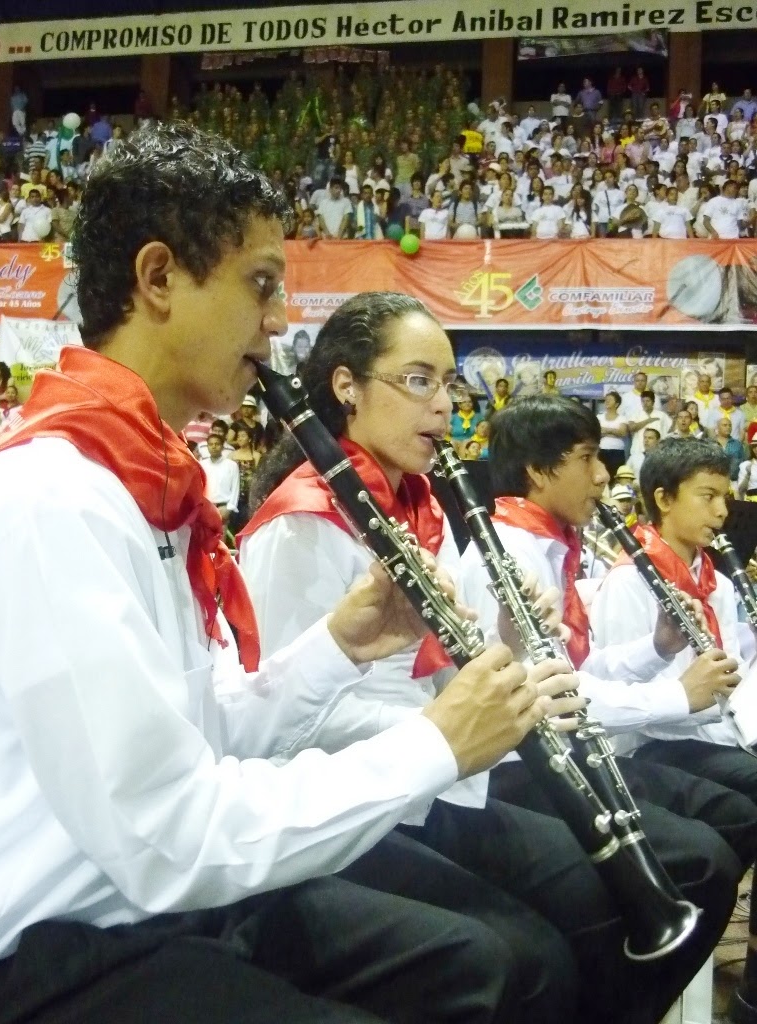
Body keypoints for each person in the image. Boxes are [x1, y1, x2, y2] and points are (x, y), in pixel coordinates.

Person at [0, 121, 571, 1024]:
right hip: (66, 945)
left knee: (484, 966)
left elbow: (205, 736)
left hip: (156, 902)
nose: (278, 322)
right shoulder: (52, 495)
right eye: (261, 286)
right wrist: (433, 746)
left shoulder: (144, 480)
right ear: (157, 280)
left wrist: (338, 645)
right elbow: (168, 832)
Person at [241, 292, 731, 1024]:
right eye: (418, 381)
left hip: (434, 781)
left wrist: (503, 651)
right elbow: (287, 720)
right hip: (370, 801)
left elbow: (439, 676)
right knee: (532, 958)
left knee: (601, 915)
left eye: (447, 383)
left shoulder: (414, 508)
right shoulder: (304, 525)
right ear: (347, 388)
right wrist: (455, 727)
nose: (442, 405)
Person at [457, 396, 757, 1020]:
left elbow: (579, 676)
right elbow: (540, 696)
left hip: (564, 747)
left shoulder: (554, 545)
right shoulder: (505, 554)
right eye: (588, 458)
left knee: (717, 839)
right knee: (704, 859)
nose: (603, 477)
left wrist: (655, 652)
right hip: (513, 768)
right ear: (538, 472)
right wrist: (677, 695)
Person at [200, 432, 240, 526]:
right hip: (206, 507)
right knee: (205, 539)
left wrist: (229, 508)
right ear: (207, 446)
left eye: (217, 444)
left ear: (222, 447)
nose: (214, 447)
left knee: (221, 539)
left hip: (223, 508)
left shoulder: (231, 465)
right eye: (211, 444)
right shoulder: (202, 464)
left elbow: (235, 489)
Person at [598, 391, 629, 482]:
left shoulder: (622, 418)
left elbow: (622, 433)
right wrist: (614, 431)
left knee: (615, 478)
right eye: (606, 400)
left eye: (610, 400)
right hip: (601, 450)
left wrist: (606, 430)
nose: (607, 401)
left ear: (617, 404)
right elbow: (597, 432)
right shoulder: (599, 417)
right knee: (602, 477)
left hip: (617, 452)